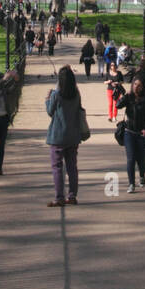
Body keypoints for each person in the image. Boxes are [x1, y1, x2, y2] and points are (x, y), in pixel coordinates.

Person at [45, 65, 86, 207]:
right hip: (73, 135)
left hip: (58, 136)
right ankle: (72, 195)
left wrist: (47, 99)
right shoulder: (76, 94)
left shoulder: (57, 94)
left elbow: (50, 112)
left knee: (57, 167)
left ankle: (59, 197)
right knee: (72, 168)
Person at [118, 77, 145, 192]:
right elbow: (118, 105)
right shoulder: (129, 97)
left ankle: (142, 175)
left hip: (141, 133)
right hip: (129, 132)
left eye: (139, 85)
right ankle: (131, 183)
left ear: (143, 87)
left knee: (141, 159)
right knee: (131, 158)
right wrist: (125, 96)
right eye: (135, 85)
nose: (136, 87)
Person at [0, 70, 20, 176]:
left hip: (3, 119)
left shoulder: (3, 90)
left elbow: (12, 89)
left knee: (1, 145)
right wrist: (3, 80)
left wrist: (15, 80)